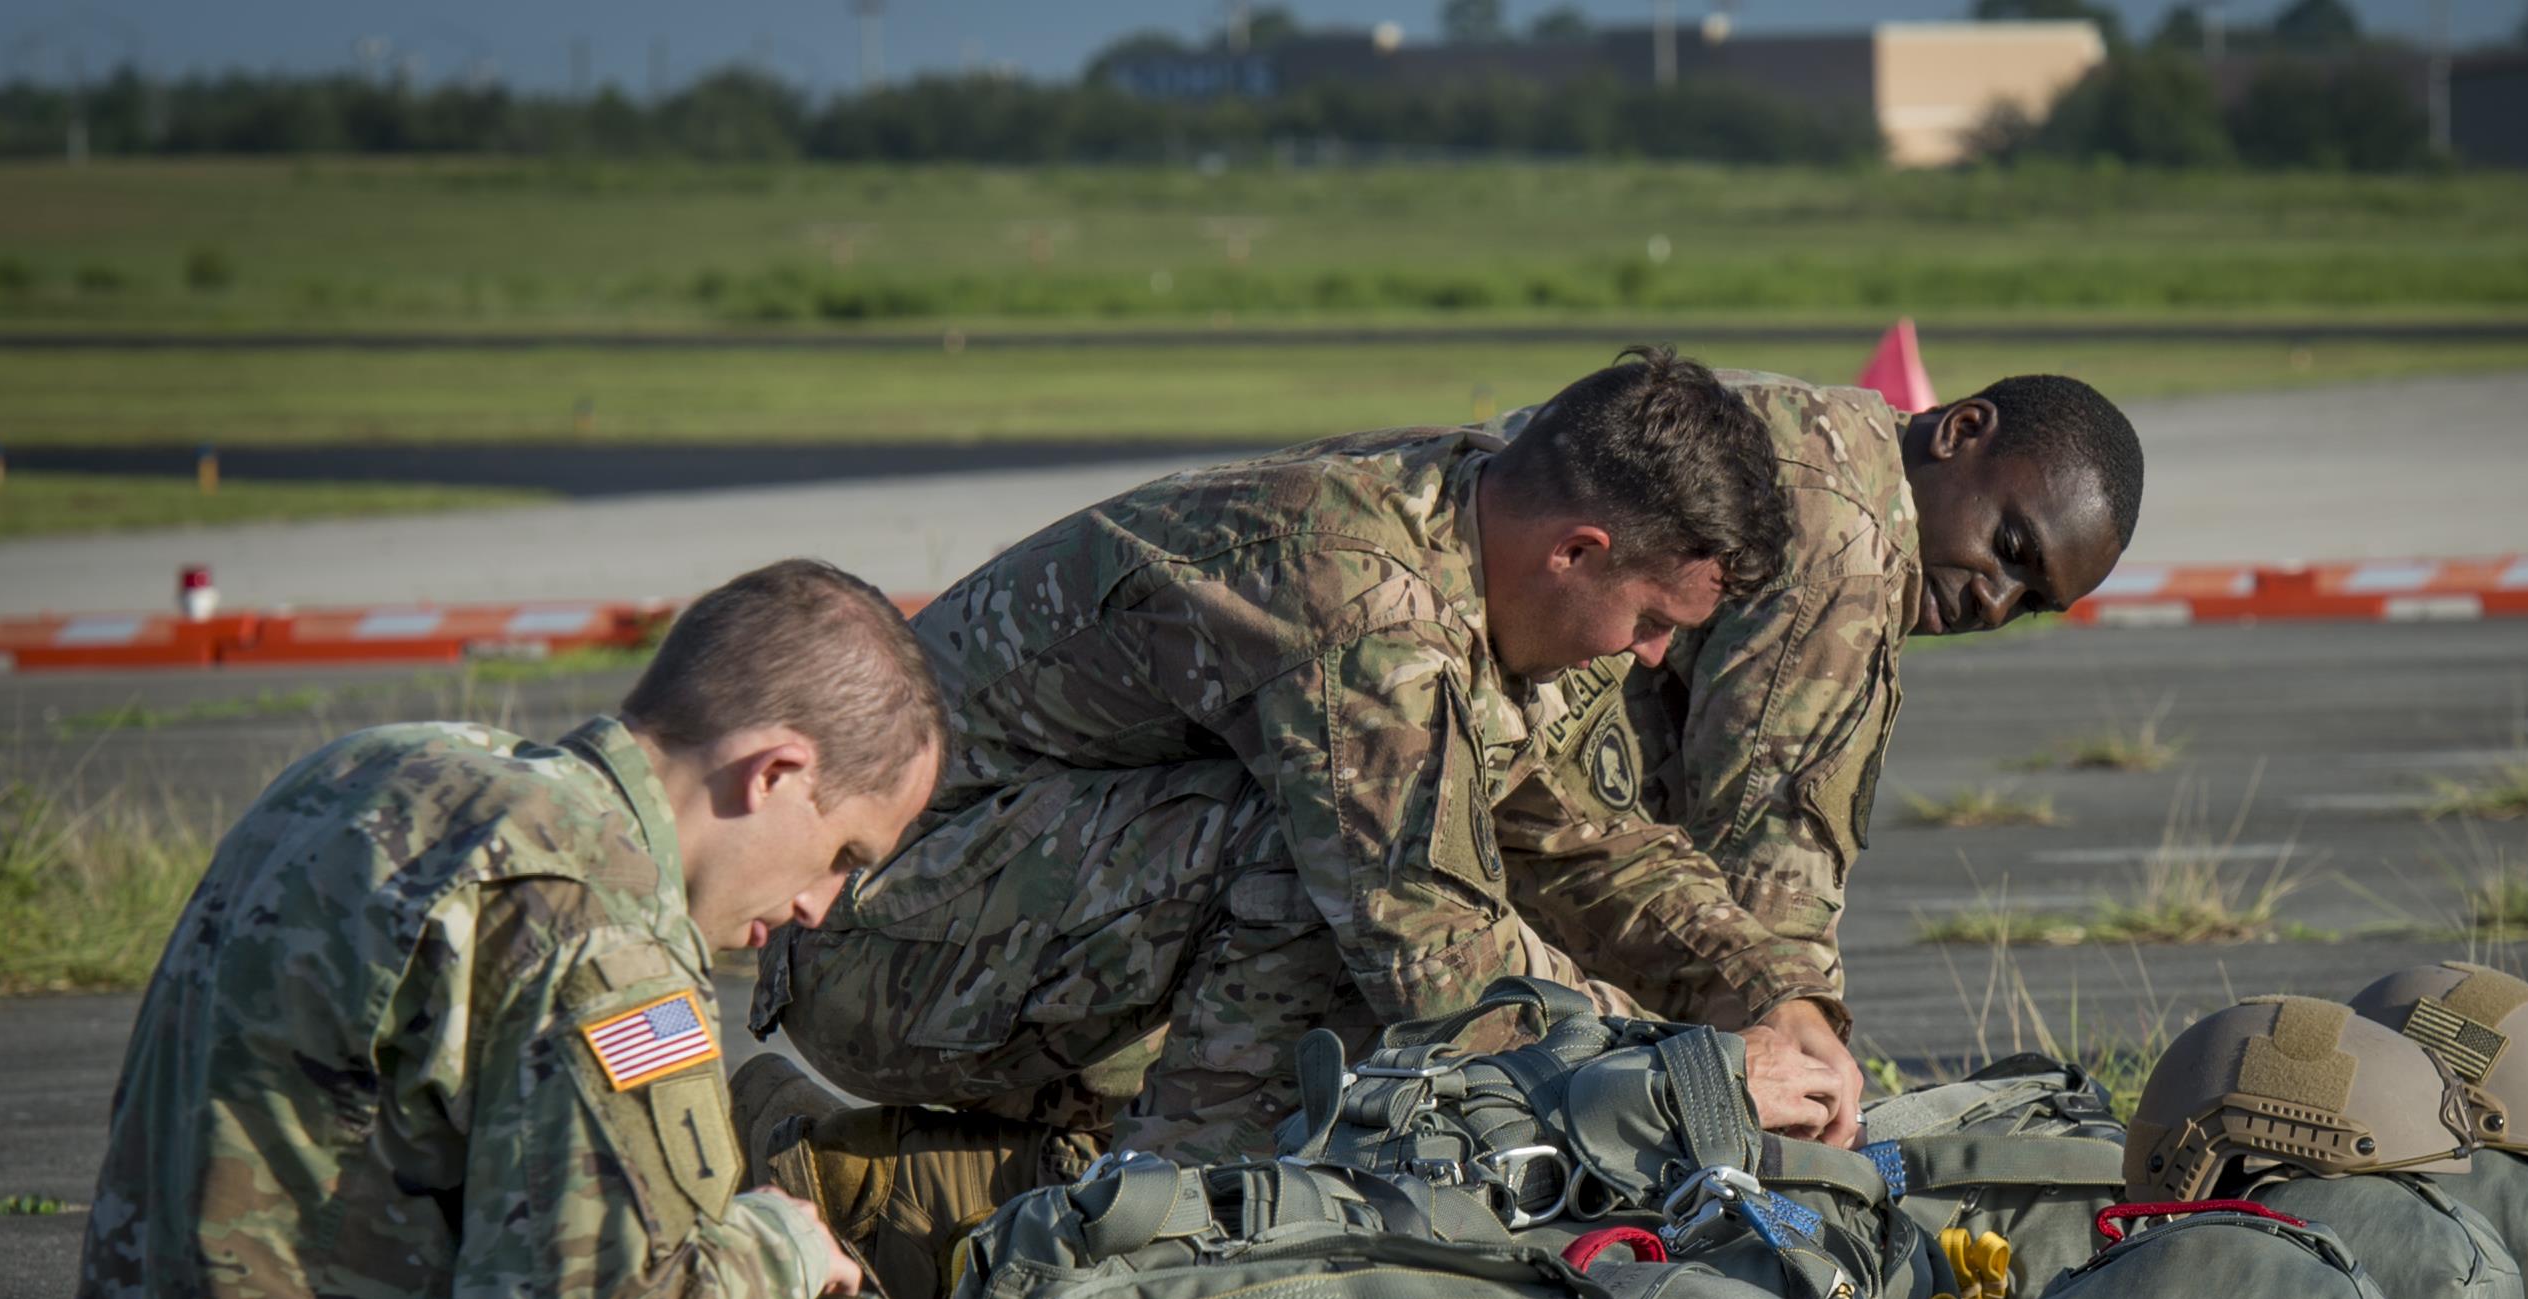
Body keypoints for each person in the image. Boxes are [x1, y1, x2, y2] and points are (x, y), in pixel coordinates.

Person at [46, 559, 1115, 1299]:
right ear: (774, 772)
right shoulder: (595, 916)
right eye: (843, 854)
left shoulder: (367, 779)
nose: (821, 907)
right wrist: (778, 1253)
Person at [753, 349, 1868, 1175]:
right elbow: (1437, 963)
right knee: (1320, 865)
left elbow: (1584, 839)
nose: (1651, 656)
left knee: (1374, 876)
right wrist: (1701, 1073)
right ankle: (1165, 1240)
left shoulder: (1483, 544)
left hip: (995, 924)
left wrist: (1771, 992)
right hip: (871, 949)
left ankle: (956, 1185)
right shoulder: (1363, 602)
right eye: (1652, 619)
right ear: (1575, 551)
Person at [1505, 371, 2143, 1009]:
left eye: (2031, 602)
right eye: (2010, 547)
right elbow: (1766, 892)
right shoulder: (1847, 550)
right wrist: (1803, 1034)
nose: (1995, 602)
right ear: (1961, 431)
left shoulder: (1815, 433)